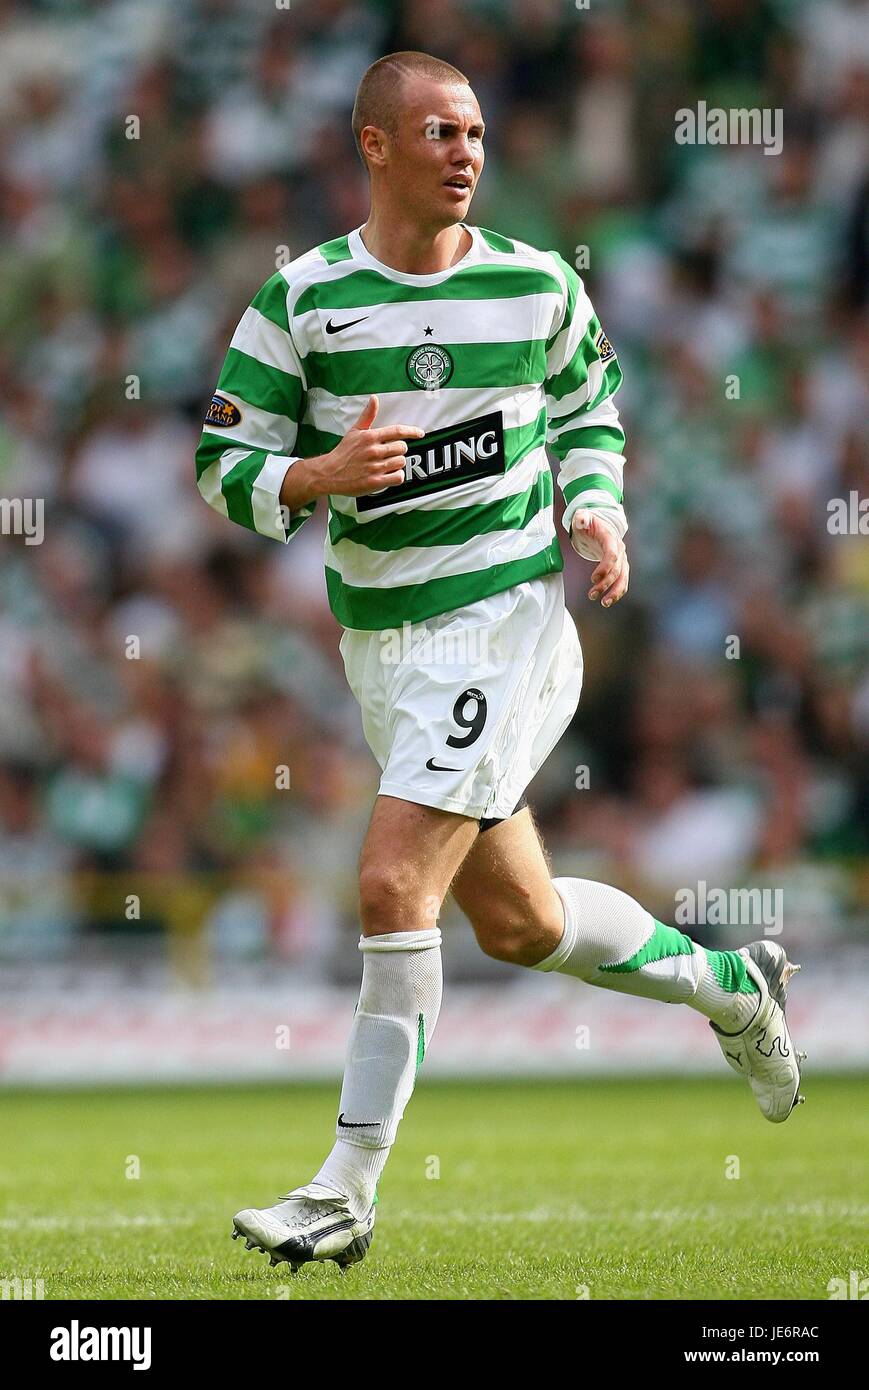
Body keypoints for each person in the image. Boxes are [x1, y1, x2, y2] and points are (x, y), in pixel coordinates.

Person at [195, 51, 805, 1275]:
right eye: (437, 132)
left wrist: (596, 510)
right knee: (519, 925)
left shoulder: (536, 286)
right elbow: (223, 469)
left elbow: (589, 412)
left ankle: (344, 1189)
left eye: (473, 131)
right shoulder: (302, 301)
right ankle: (728, 983)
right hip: (386, 646)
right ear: (374, 146)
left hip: (507, 625)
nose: (465, 151)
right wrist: (314, 478)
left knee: (386, 888)